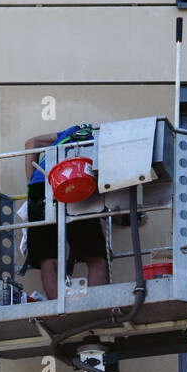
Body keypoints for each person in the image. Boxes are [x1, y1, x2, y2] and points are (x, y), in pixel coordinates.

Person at [24, 124, 109, 300]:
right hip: (78, 181)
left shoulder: (68, 133)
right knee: (95, 257)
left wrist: (32, 181)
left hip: (43, 183)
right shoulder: (105, 140)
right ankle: (96, 304)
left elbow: (31, 142)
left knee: (49, 258)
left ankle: (58, 309)